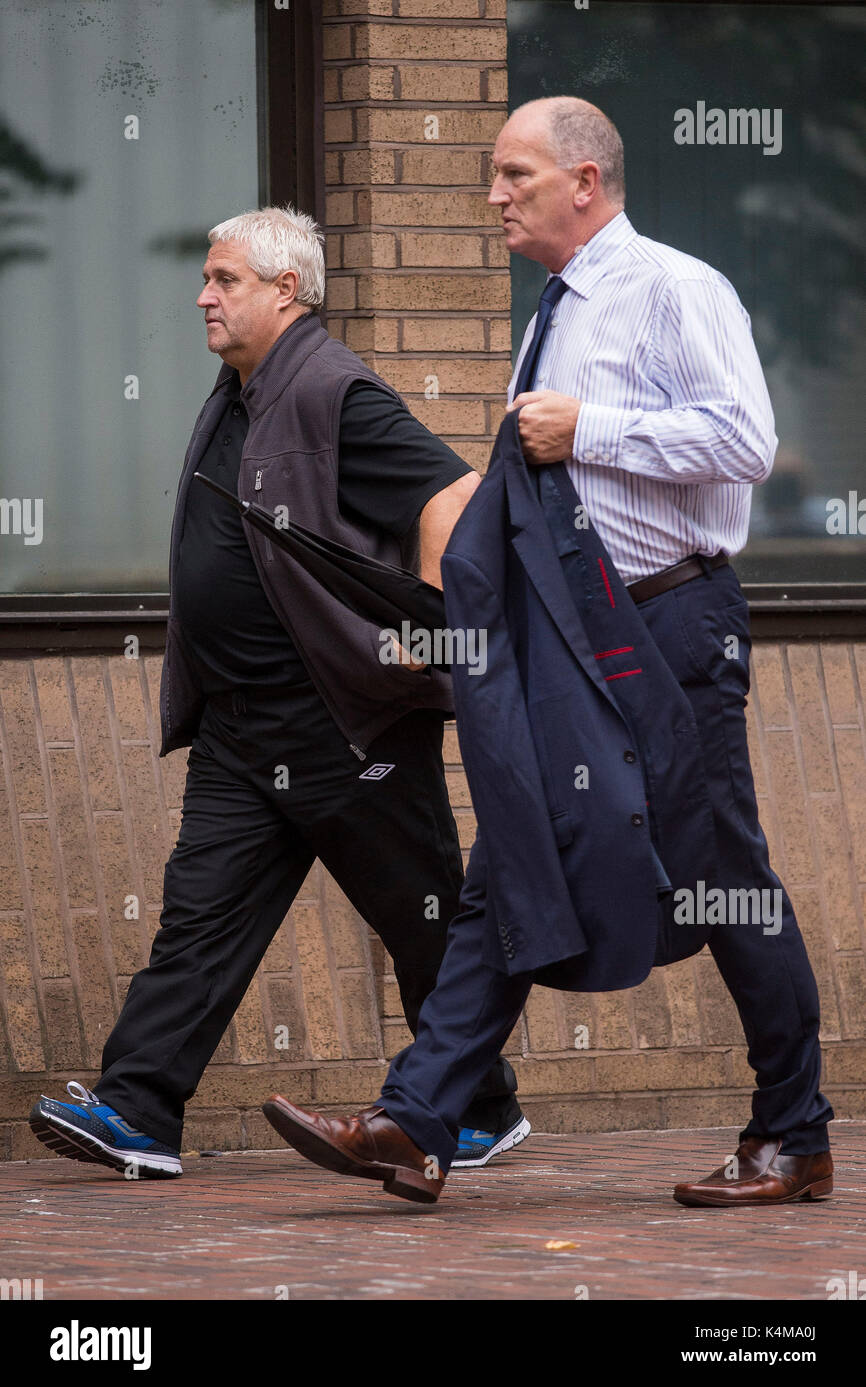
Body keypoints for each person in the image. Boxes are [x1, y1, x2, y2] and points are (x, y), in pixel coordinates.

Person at [260, 100, 834, 1208]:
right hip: (572, 639)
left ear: (583, 180)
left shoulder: (673, 287)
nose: (491, 195)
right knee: (512, 851)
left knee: (723, 883)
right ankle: (416, 1124)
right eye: (489, 175)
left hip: (671, 628)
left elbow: (745, 440)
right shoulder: (550, 312)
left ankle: (793, 1134)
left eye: (511, 174)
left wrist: (590, 428)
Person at [29, 205, 526, 1178]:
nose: (203, 295)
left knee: (420, 913)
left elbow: (454, 499)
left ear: (285, 290)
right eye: (206, 279)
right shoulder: (244, 391)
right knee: (199, 916)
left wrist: (420, 640)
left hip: (341, 720)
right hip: (241, 725)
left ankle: (477, 1105)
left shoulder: (333, 389)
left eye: (225, 280)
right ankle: (137, 1111)